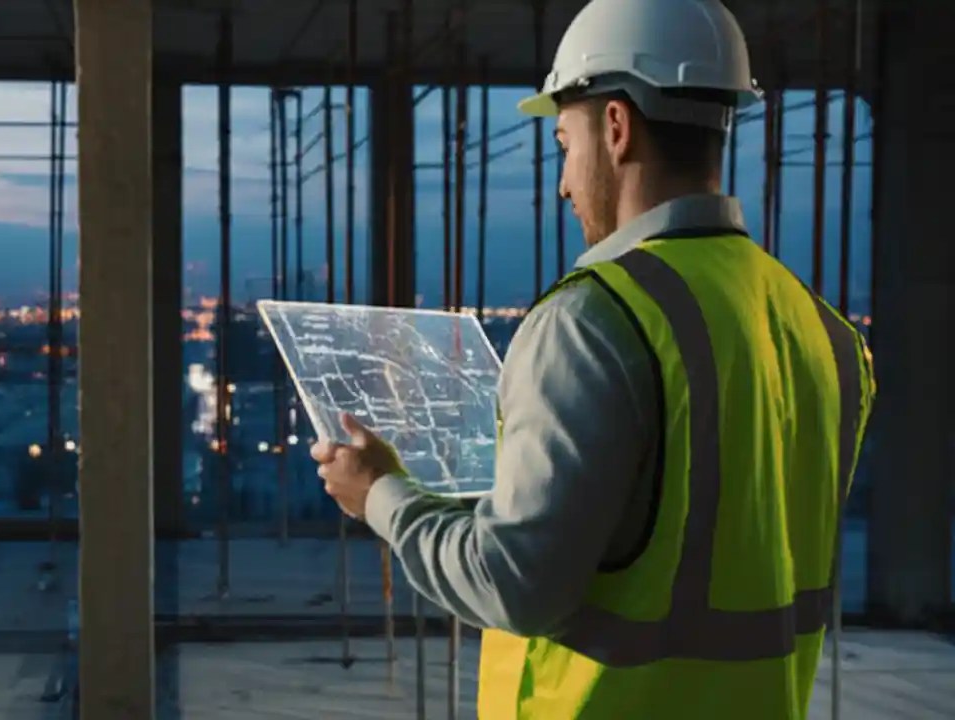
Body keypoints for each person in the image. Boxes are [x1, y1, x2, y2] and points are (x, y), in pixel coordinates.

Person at [309, 0, 876, 717]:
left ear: (615, 127)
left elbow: (513, 585)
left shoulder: (595, 318)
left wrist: (381, 495)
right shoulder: (822, 331)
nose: (563, 184)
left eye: (563, 145)